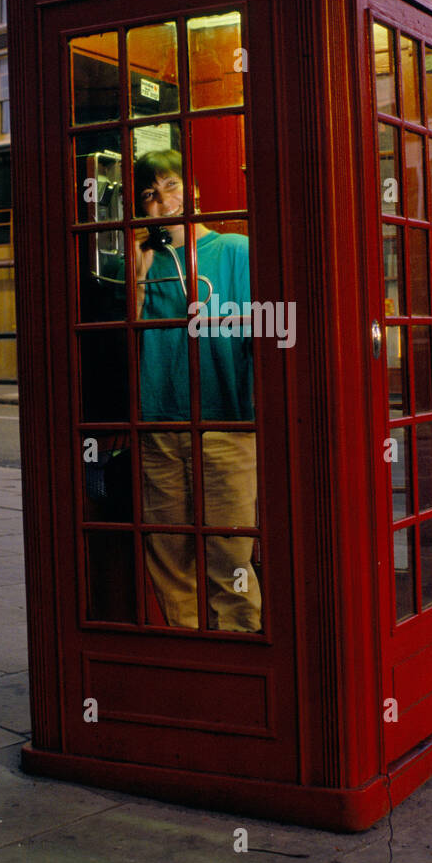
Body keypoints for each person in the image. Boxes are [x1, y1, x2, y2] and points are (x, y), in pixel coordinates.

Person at [132, 148, 261, 633]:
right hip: (158, 428)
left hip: (226, 426)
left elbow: (266, 334)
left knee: (231, 563)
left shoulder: (235, 252)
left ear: (193, 192)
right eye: (150, 194)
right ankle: (187, 661)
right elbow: (125, 341)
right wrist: (138, 283)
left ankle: (243, 662)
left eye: (170, 187)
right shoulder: (144, 263)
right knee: (170, 564)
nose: (163, 202)